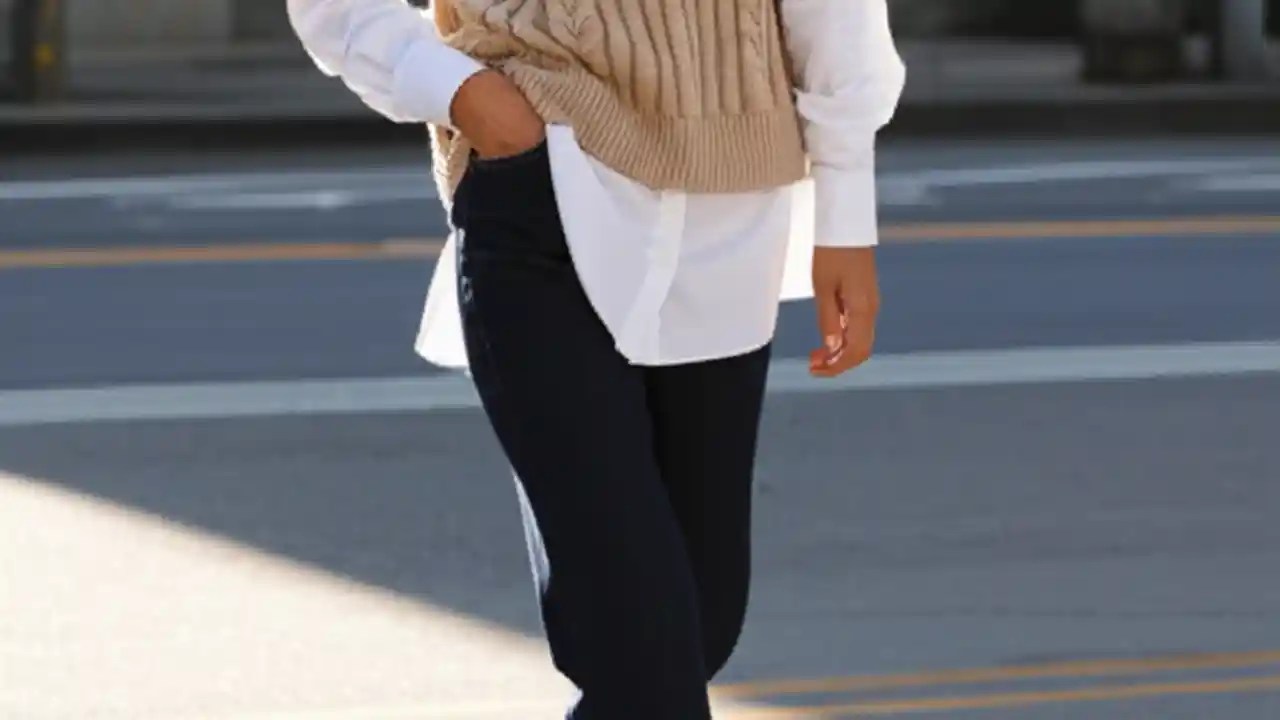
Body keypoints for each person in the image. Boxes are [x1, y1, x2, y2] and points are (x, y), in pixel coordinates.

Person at [287, 0, 905, 716]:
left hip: (731, 219)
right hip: (546, 190)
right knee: (644, 649)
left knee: (694, 629)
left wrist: (846, 210)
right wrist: (464, 93)